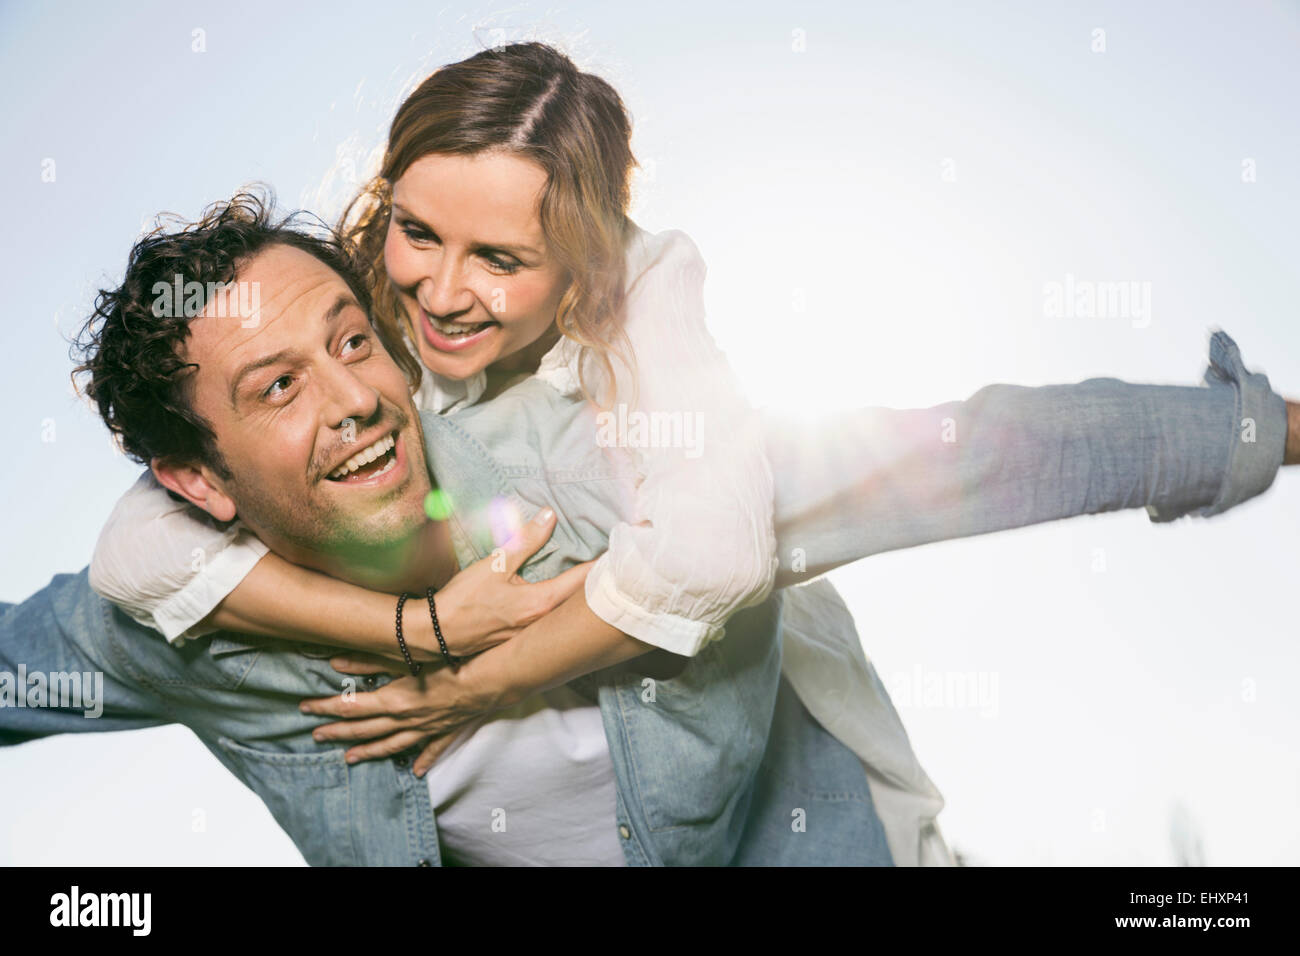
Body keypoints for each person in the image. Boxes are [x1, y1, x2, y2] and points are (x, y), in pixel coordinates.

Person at [6, 193, 1292, 866]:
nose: (354, 399)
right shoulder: (173, 632)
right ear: (199, 478)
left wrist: (1266, 430)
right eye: (278, 387)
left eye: (353, 341)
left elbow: (970, 454)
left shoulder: (606, 469)